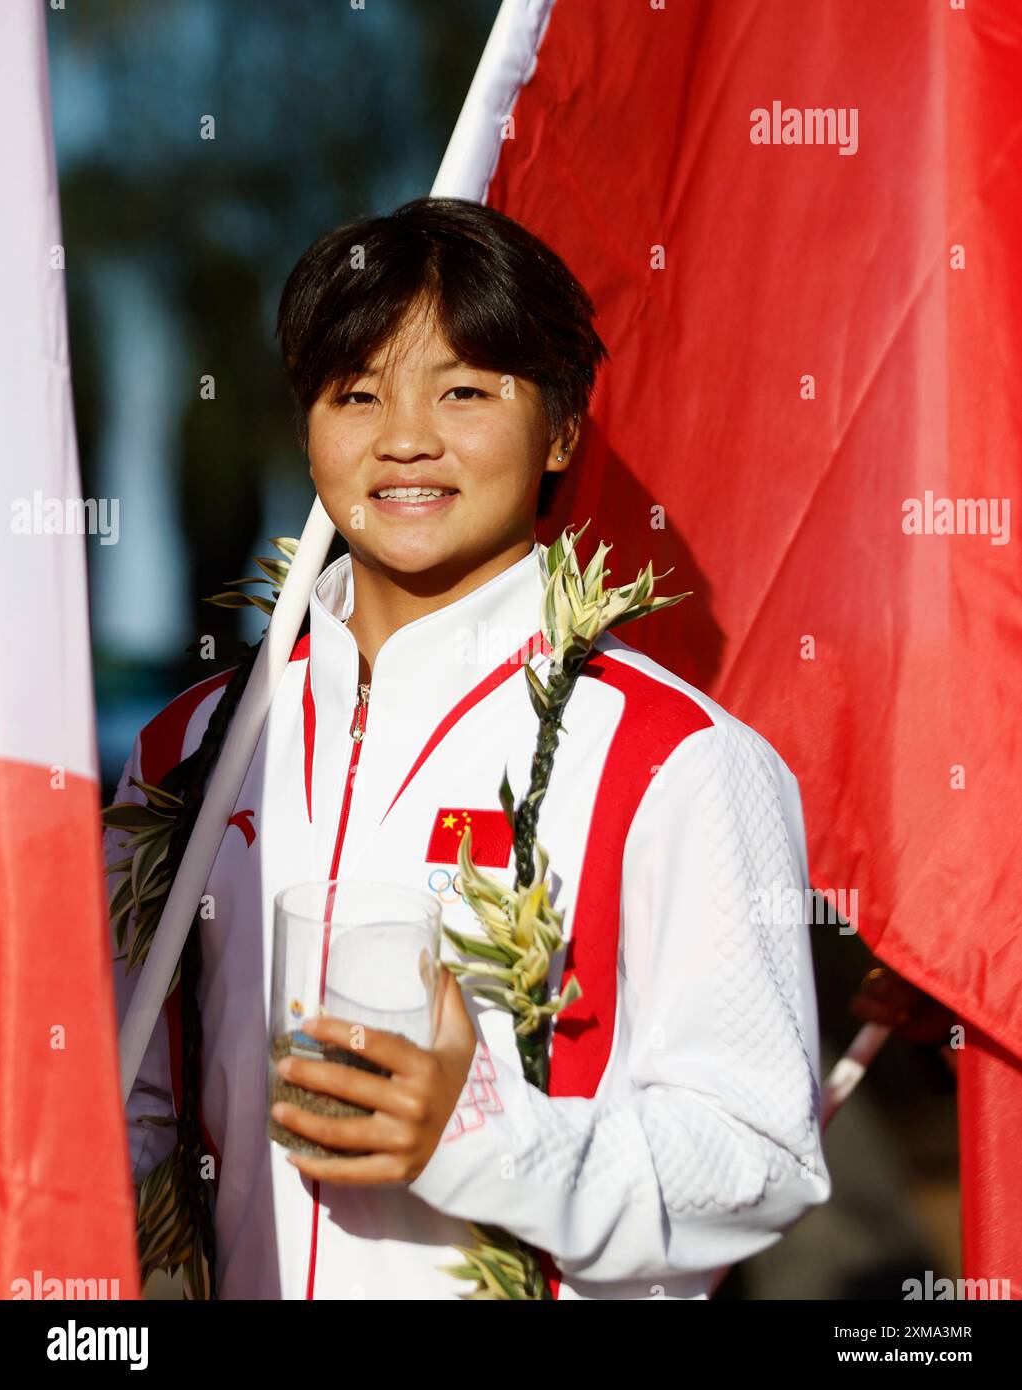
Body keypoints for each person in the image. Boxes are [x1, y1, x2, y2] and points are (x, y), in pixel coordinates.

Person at [106, 195, 831, 1301]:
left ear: (558, 429)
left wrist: (478, 1130)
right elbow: (127, 1109)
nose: (404, 438)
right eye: (356, 394)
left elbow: (761, 1158)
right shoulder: (189, 749)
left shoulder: (675, 758)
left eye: (463, 390)